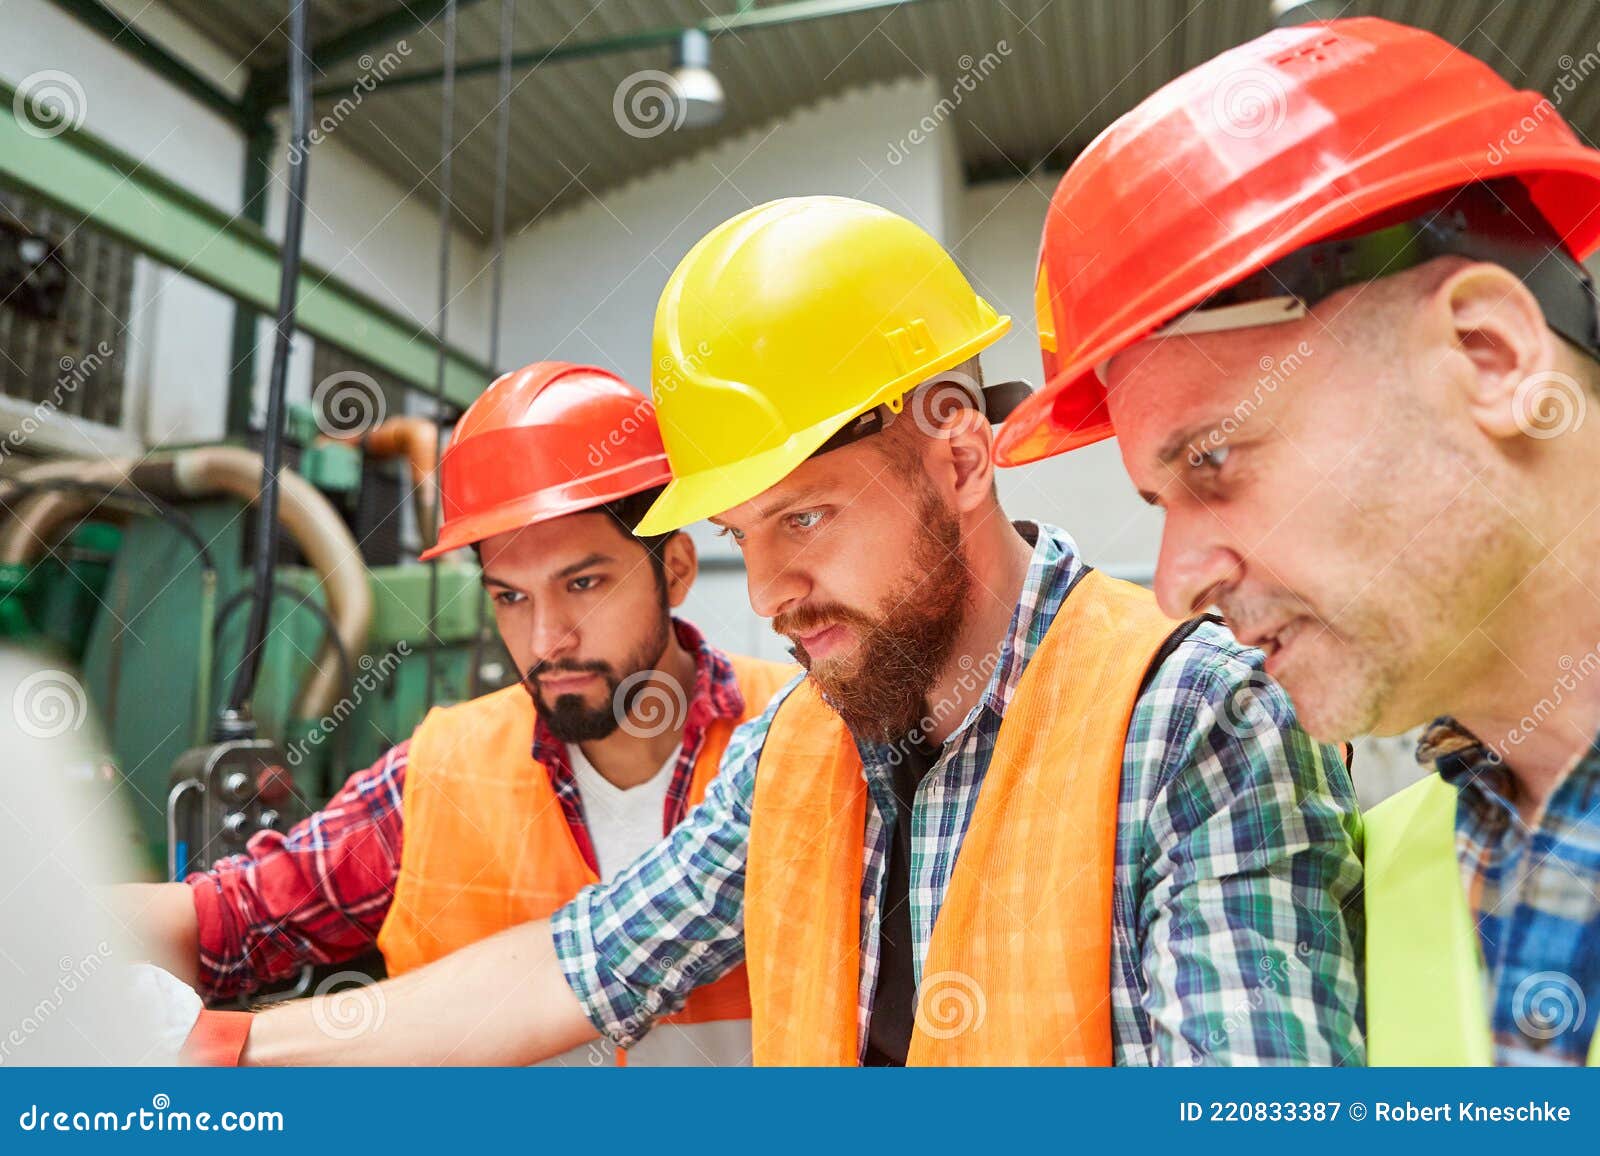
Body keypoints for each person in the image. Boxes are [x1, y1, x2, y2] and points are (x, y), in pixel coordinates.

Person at [237, 197, 1363, 1067]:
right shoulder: (802, 749)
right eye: (742, 530)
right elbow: (574, 967)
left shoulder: (1189, 716)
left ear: (960, 458)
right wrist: (233, 1047)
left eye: (805, 517)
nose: (769, 588)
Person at [997, 16, 1600, 1066]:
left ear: (1488, 354)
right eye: (1159, 504)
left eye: (1215, 464)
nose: (1176, 585)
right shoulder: (1400, 860)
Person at [116, 361, 793, 1066]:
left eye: (583, 583)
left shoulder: (795, 742)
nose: (545, 640)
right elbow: (232, 916)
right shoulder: (443, 772)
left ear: (676, 567)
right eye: (510, 596)